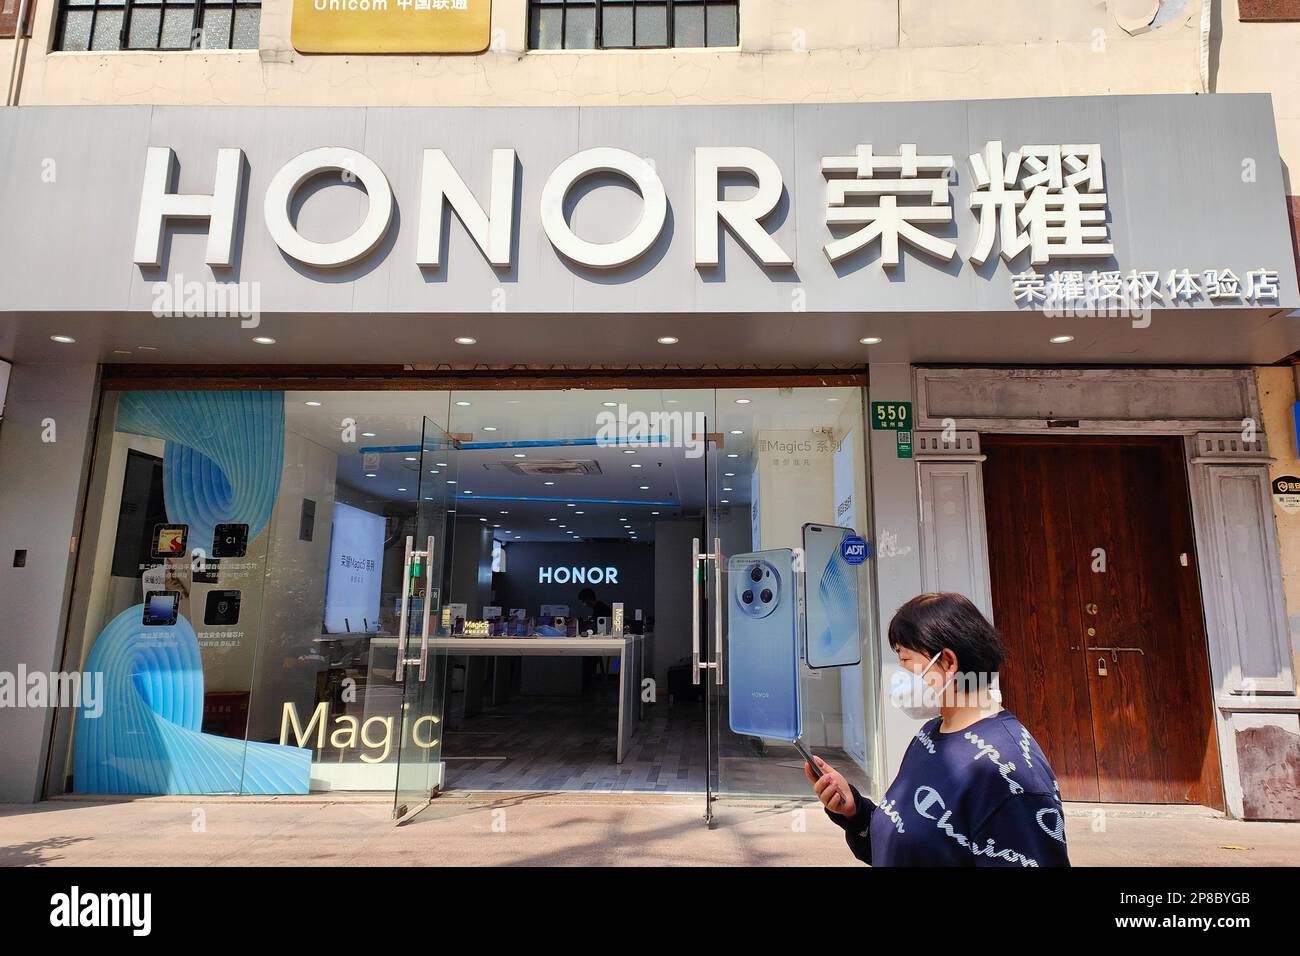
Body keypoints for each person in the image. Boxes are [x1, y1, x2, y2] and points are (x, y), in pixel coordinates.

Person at [807, 592, 1070, 867]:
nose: (899, 672)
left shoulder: (1010, 772)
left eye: (905, 659)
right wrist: (855, 812)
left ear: (947, 662)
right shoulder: (930, 735)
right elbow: (911, 845)